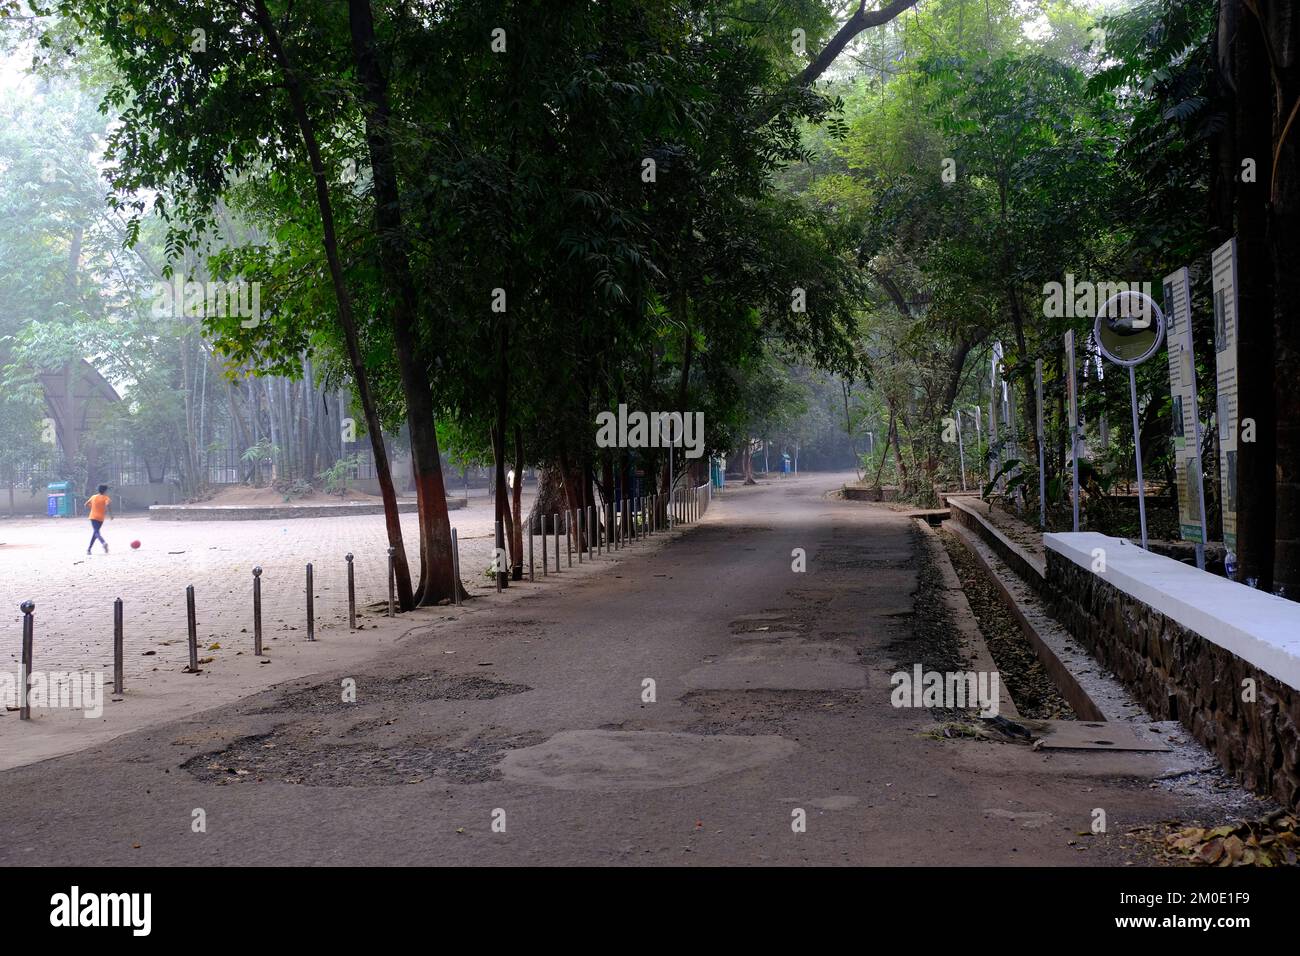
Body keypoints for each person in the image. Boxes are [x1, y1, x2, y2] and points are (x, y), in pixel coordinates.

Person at [85, 484, 112, 555]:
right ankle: (90, 548)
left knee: (96, 533)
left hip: (93, 517)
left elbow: (86, 504)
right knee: (96, 532)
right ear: (105, 491)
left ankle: (99, 544)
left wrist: (93, 508)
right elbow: (107, 505)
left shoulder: (93, 497)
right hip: (100, 518)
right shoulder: (106, 498)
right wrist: (110, 514)